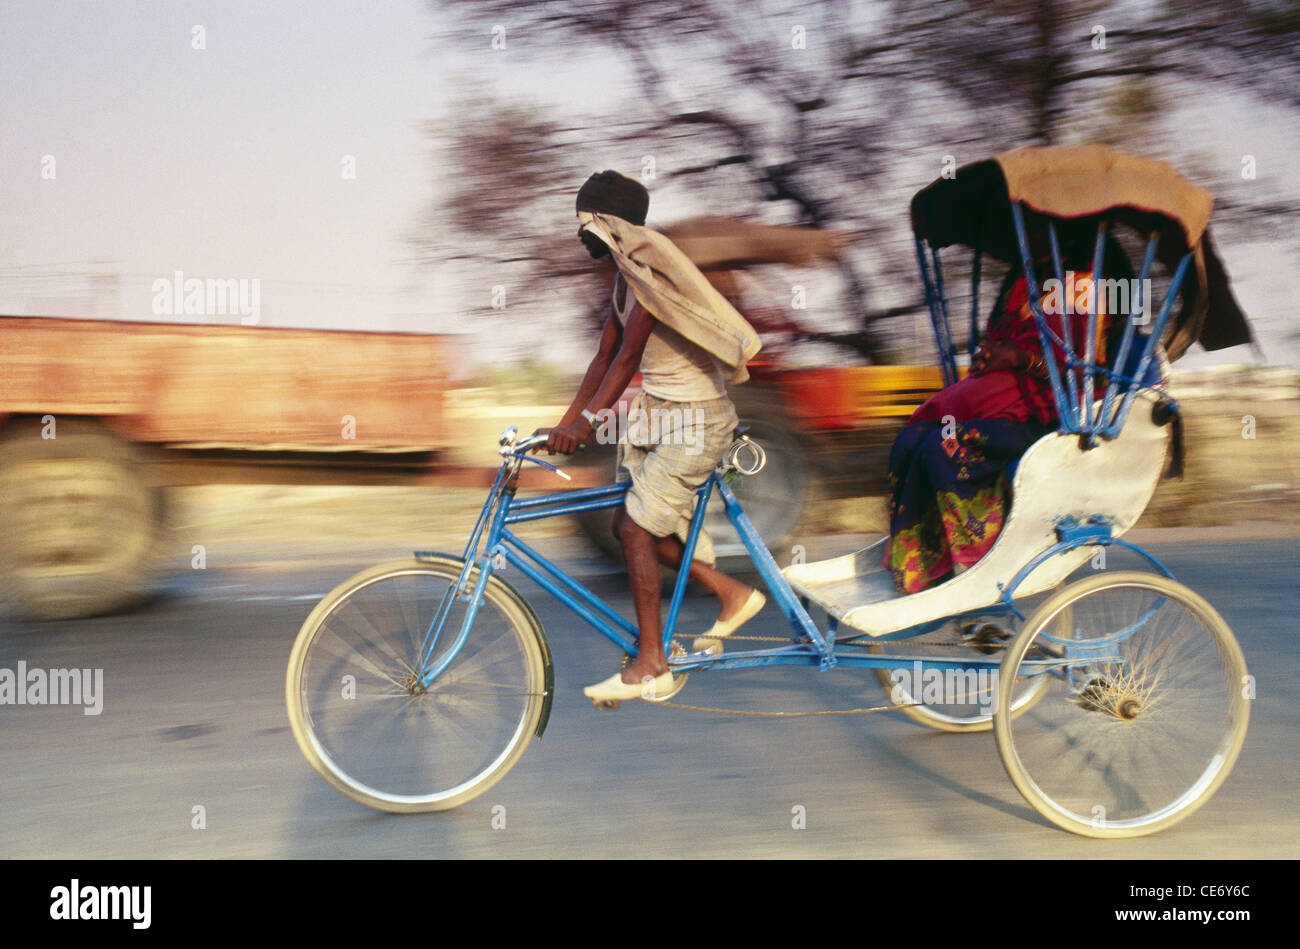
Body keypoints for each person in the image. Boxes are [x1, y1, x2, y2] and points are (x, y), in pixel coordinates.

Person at [537, 171, 767, 701]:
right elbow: (601, 359)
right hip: (664, 416)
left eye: (583, 223)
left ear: (607, 224)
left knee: (639, 531)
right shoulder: (622, 278)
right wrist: (565, 422)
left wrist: (587, 425)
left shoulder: (647, 279)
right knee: (627, 524)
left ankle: (652, 663)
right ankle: (732, 594)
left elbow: (627, 360)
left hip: (696, 420)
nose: (578, 235)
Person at [883, 250, 1124, 594]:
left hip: (1052, 420)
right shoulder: (1020, 289)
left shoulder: (1083, 288)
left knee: (945, 446)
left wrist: (1019, 358)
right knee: (910, 440)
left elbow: (1080, 372)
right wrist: (989, 356)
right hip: (999, 412)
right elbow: (999, 341)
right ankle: (923, 560)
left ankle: (975, 557)